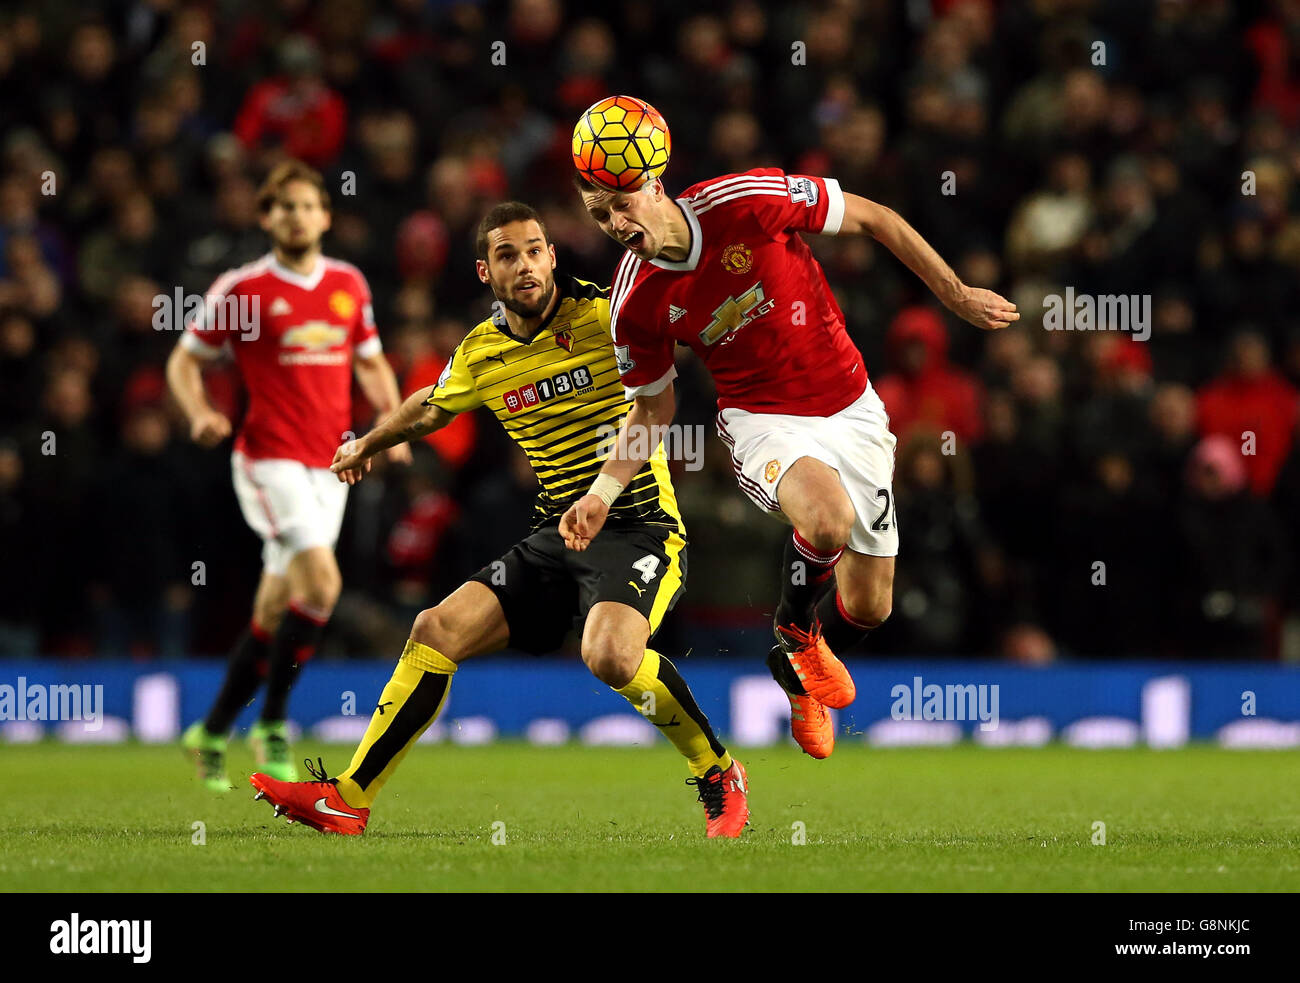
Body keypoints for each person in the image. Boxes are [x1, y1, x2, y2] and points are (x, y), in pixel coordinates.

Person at [248, 202, 749, 839]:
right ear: (486, 272)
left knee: (611, 657)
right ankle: (348, 798)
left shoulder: (605, 315)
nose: (526, 264)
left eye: (536, 249)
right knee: (435, 629)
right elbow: (431, 407)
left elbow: (668, 377)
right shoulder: (482, 351)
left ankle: (718, 769)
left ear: (553, 256)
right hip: (557, 531)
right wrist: (368, 443)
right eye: (508, 255)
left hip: (637, 523)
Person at [565, 166, 1017, 759]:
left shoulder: (747, 202)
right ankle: (795, 631)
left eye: (623, 204)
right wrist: (601, 493)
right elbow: (652, 410)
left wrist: (955, 293)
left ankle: (796, 670)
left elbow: (874, 218)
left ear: (655, 185)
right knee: (826, 519)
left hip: (853, 407)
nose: (617, 224)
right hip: (763, 424)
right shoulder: (635, 300)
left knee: (870, 605)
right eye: (601, 216)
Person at [168, 160, 408, 789]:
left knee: (277, 609)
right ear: (266, 218)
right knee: (322, 586)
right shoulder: (241, 289)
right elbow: (183, 361)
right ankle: (273, 724)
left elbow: (373, 363)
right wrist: (199, 412)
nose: (296, 216)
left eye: (307, 205)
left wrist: (393, 420)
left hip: (333, 464)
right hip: (267, 459)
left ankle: (212, 730)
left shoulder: (349, 284)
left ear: (325, 216)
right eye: (284, 207)